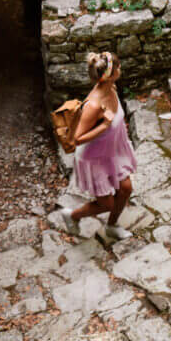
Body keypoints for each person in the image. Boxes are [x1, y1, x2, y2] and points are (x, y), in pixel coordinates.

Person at [68, 50, 137, 242]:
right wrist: (106, 125)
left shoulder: (111, 88)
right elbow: (76, 139)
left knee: (125, 189)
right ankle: (72, 216)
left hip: (113, 150)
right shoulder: (93, 105)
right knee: (106, 203)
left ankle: (112, 226)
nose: (121, 69)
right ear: (111, 74)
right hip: (94, 157)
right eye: (118, 67)